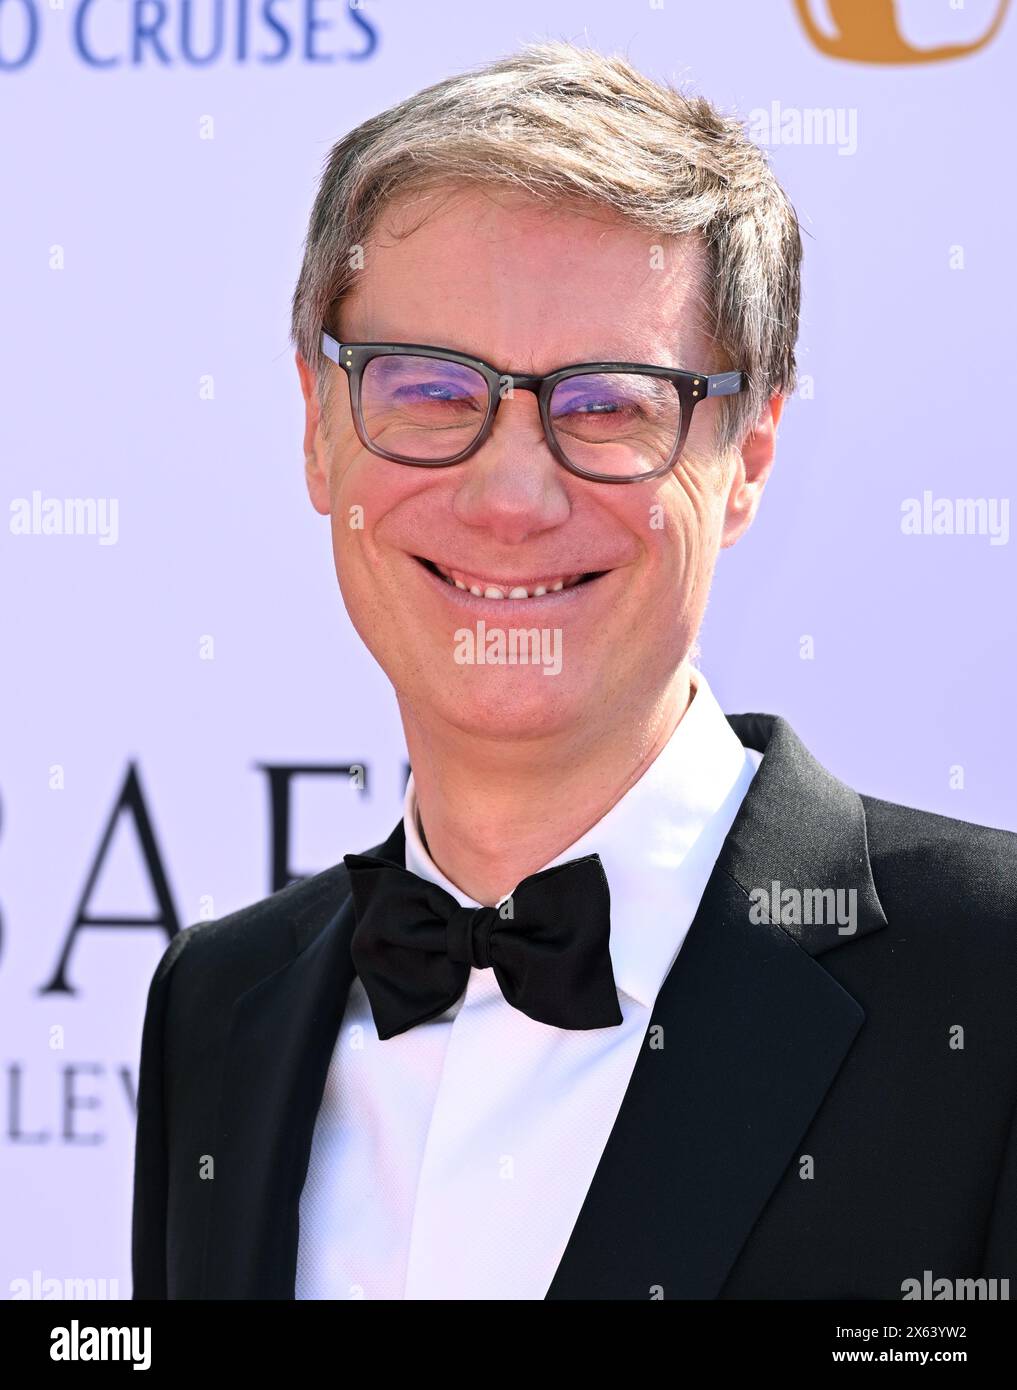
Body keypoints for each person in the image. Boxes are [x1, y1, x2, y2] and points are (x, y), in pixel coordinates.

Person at [131, 40, 1017, 1300]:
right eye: (431, 388)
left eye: (607, 403)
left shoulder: (989, 977)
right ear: (319, 429)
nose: (509, 494)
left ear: (749, 451)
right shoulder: (219, 1010)